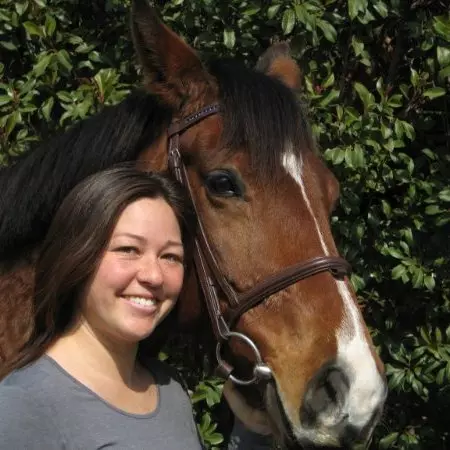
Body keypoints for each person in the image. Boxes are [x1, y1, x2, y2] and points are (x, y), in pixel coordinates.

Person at [0, 166, 273, 449]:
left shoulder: (168, 387)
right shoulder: (23, 406)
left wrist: (250, 431)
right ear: (76, 256)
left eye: (170, 256)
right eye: (128, 250)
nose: (154, 276)